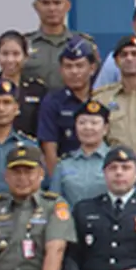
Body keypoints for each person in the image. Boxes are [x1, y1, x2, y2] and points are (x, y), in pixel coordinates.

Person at [0, 30, 48, 138]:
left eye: (16, 54)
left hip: (29, 151)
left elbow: (43, 130)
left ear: (25, 57)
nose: (10, 60)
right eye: (5, 54)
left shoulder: (37, 90)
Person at [37, 37, 100, 174]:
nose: (74, 72)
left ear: (92, 68)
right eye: (68, 66)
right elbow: (49, 148)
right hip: (67, 172)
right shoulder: (52, 101)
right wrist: (57, 182)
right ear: (61, 69)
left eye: (79, 66)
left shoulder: (102, 98)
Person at [22, 0, 97, 90]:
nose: (52, 9)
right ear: (36, 7)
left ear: (68, 6)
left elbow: (97, 82)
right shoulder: (24, 44)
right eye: (45, 3)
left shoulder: (84, 44)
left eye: (57, 3)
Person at [49, 100, 112, 205]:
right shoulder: (64, 164)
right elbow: (53, 201)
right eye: (82, 122)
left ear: (105, 128)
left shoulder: (115, 161)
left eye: (94, 123)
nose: (87, 127)